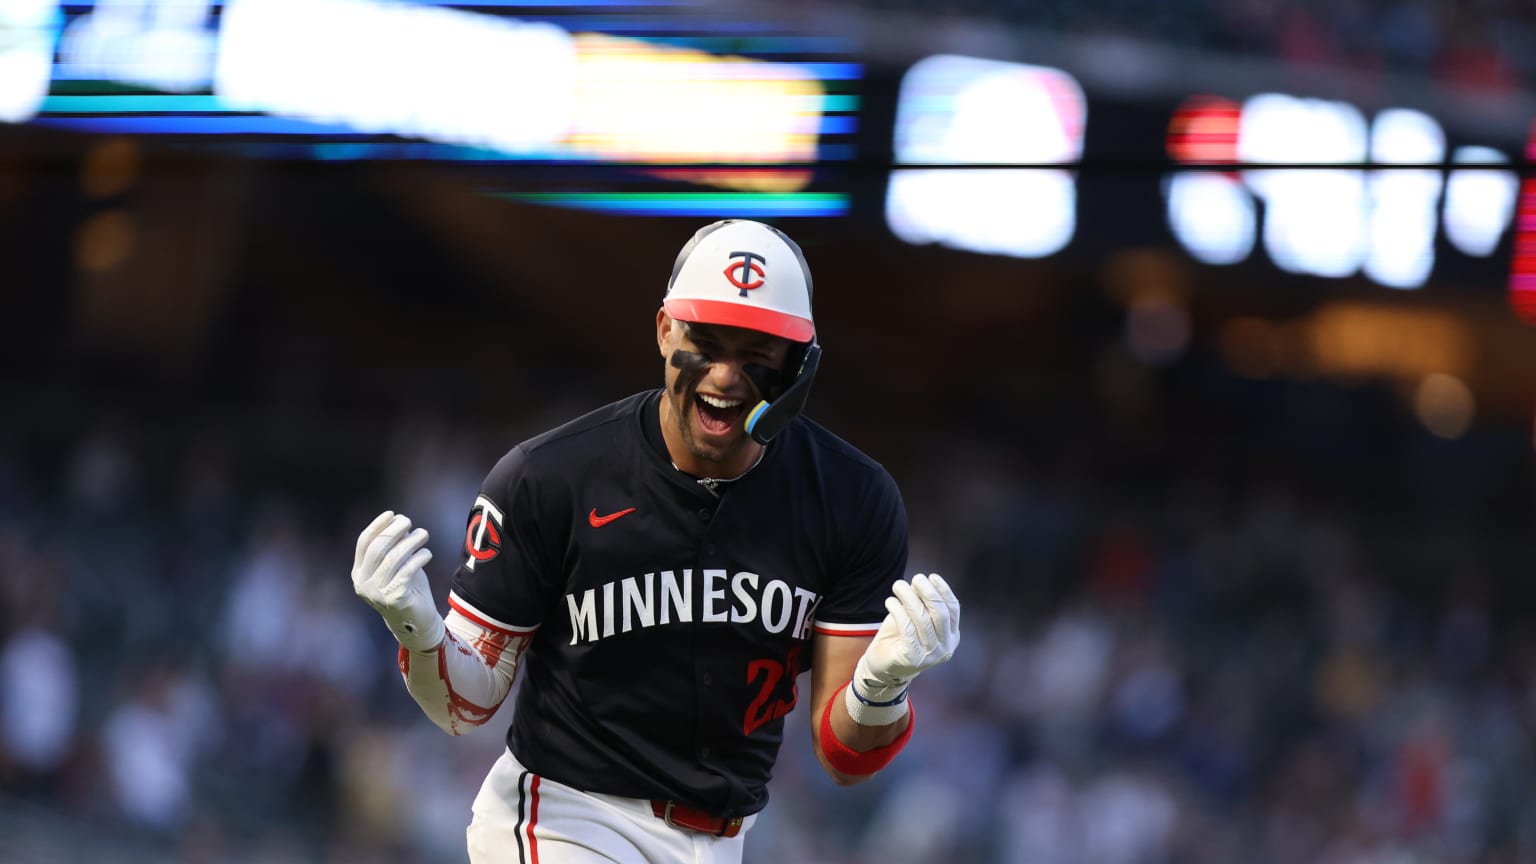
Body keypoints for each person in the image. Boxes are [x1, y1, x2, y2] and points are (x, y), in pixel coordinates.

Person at [349, 219, 962, 863]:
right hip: (566, 820)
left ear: (800, 365)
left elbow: (844, 758)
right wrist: (417, 628)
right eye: (706, 342)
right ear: (666, 330)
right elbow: (464, 707)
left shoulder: (853, 498)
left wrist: (882, 685)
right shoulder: (550, 477)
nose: (725, 377)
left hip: (725, 840)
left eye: (757, 353)